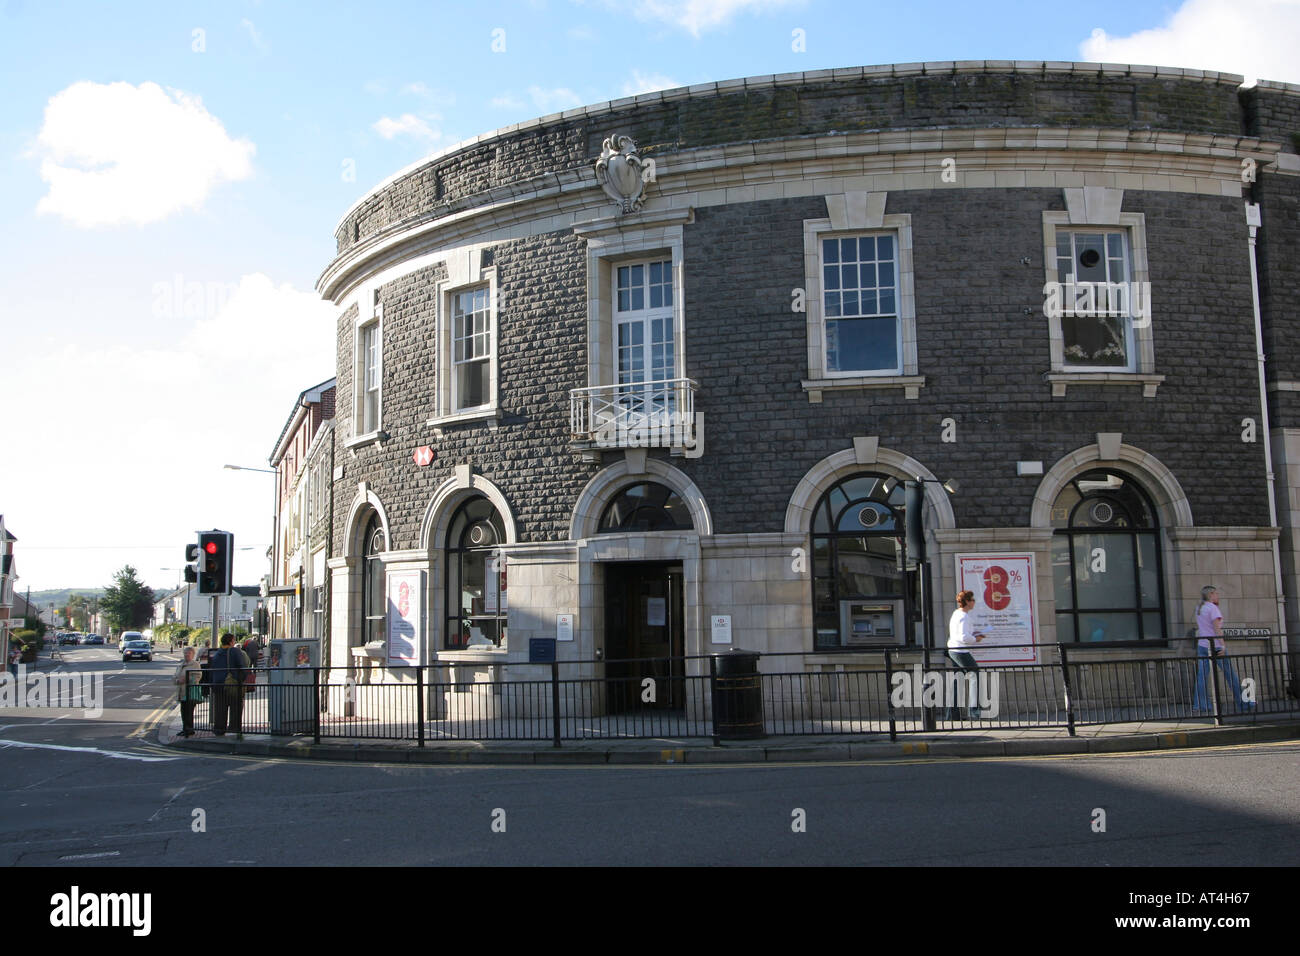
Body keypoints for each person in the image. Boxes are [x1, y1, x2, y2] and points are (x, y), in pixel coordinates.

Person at [1193, 586, 1253, 712]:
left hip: (1202, 645)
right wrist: (1223, 645)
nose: (1217, 595)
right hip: (1215, 646)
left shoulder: (1199, 608)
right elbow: (1217, 629)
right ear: (1210, 594)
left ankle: (1201, 705)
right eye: (1216, 593)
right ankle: (1243, 703)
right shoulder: (1213, 608)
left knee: (1202, 676)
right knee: (1230, 674)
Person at [946, 590, 986, 720]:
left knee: (958, 680)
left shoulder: (956, 613)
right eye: (972, 600)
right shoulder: (964, 616)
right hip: (960, 651)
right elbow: (963, 637)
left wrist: (974, 634)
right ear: (967, 602)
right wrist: (975, 639)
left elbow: (960, 633)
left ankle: (952, 714)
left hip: (953, 649)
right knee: (975, 675)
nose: (974, 602)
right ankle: (974, 712)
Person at [206, 633, 251, 736]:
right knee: (236, 708)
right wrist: (240, 680)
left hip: (218, 685)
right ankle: (234, 729)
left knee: (220, 709)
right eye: (234, 640)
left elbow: (211, 670)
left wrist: (212, 684)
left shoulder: (217, 653)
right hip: (232, 684)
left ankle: (219, 729)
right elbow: (243, 667)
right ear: (231, 642)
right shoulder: (235, 651)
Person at [173, 646, 202, 737]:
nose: (187, 655)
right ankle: (185, 729)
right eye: (185, 653)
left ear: (193, 655)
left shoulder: (195, 664)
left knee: (189, 712)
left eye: (189, 653)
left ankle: (189, 730)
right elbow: (174, 677)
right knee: (183, 711)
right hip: (181, 692)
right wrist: (177, 680)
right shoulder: (181, 665)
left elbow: (198, 677)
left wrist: (186, 679)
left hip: (190, 692)